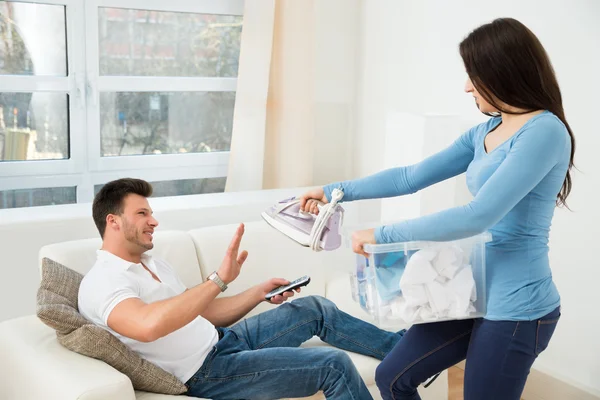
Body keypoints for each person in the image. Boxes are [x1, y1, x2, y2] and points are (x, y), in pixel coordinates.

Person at [300, 17, 574, 400]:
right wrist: (334, 191)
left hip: (518, 309)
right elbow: (409, 177)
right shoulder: (486, 131)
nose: (466, 86)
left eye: (474, 76)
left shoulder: (544, 131)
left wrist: (381, 234)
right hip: (469, 294)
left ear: (503, 72)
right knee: (393, 377)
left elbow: (478, 215)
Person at [79, 178, 405, 400]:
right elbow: (147, 326)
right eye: (142, 213)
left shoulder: (152, 262)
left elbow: (203, 314)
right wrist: (217, 280)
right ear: (113, 221)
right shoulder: (103, 281)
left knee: (315, 308)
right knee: (333, 366)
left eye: (151, 213)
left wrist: (257, 293)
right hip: (208, 373)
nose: (154, 221)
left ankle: (407, 355)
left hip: (224, 341)